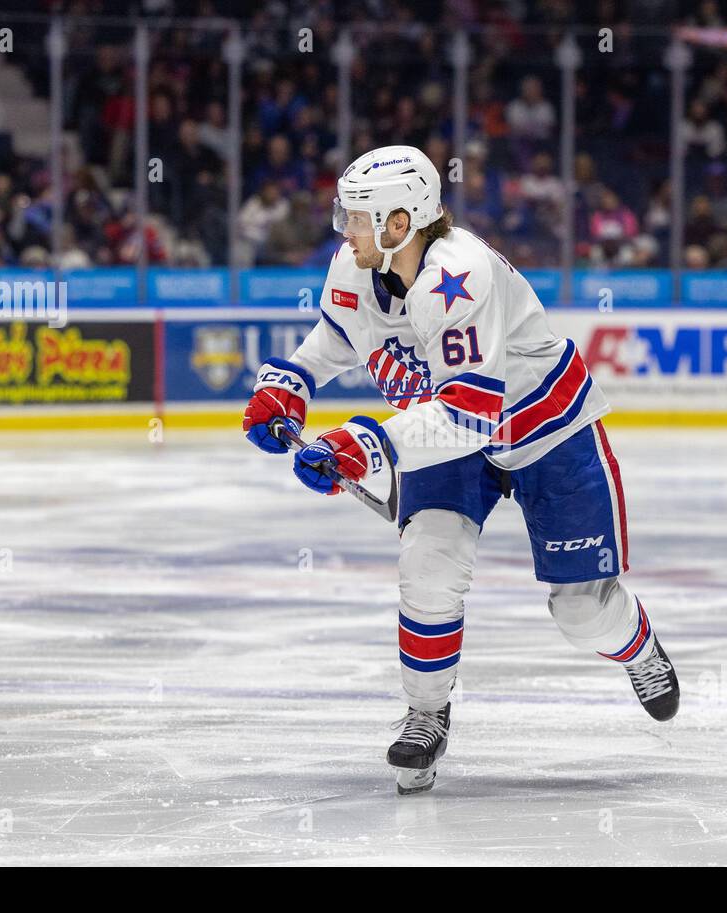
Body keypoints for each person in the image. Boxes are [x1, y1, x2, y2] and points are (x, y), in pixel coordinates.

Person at [241, 145, 679, 795]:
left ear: (398, 223)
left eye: (356, 218)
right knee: (427, 566)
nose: (343, 229)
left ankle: (636, 645)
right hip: (444, 437)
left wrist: (361, 446)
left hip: (543, 430)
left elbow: (469, 416)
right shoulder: (355, 265)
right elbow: (336, 338)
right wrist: (290, 384)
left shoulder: (460, 276)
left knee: (583, 612)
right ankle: (426, 712)